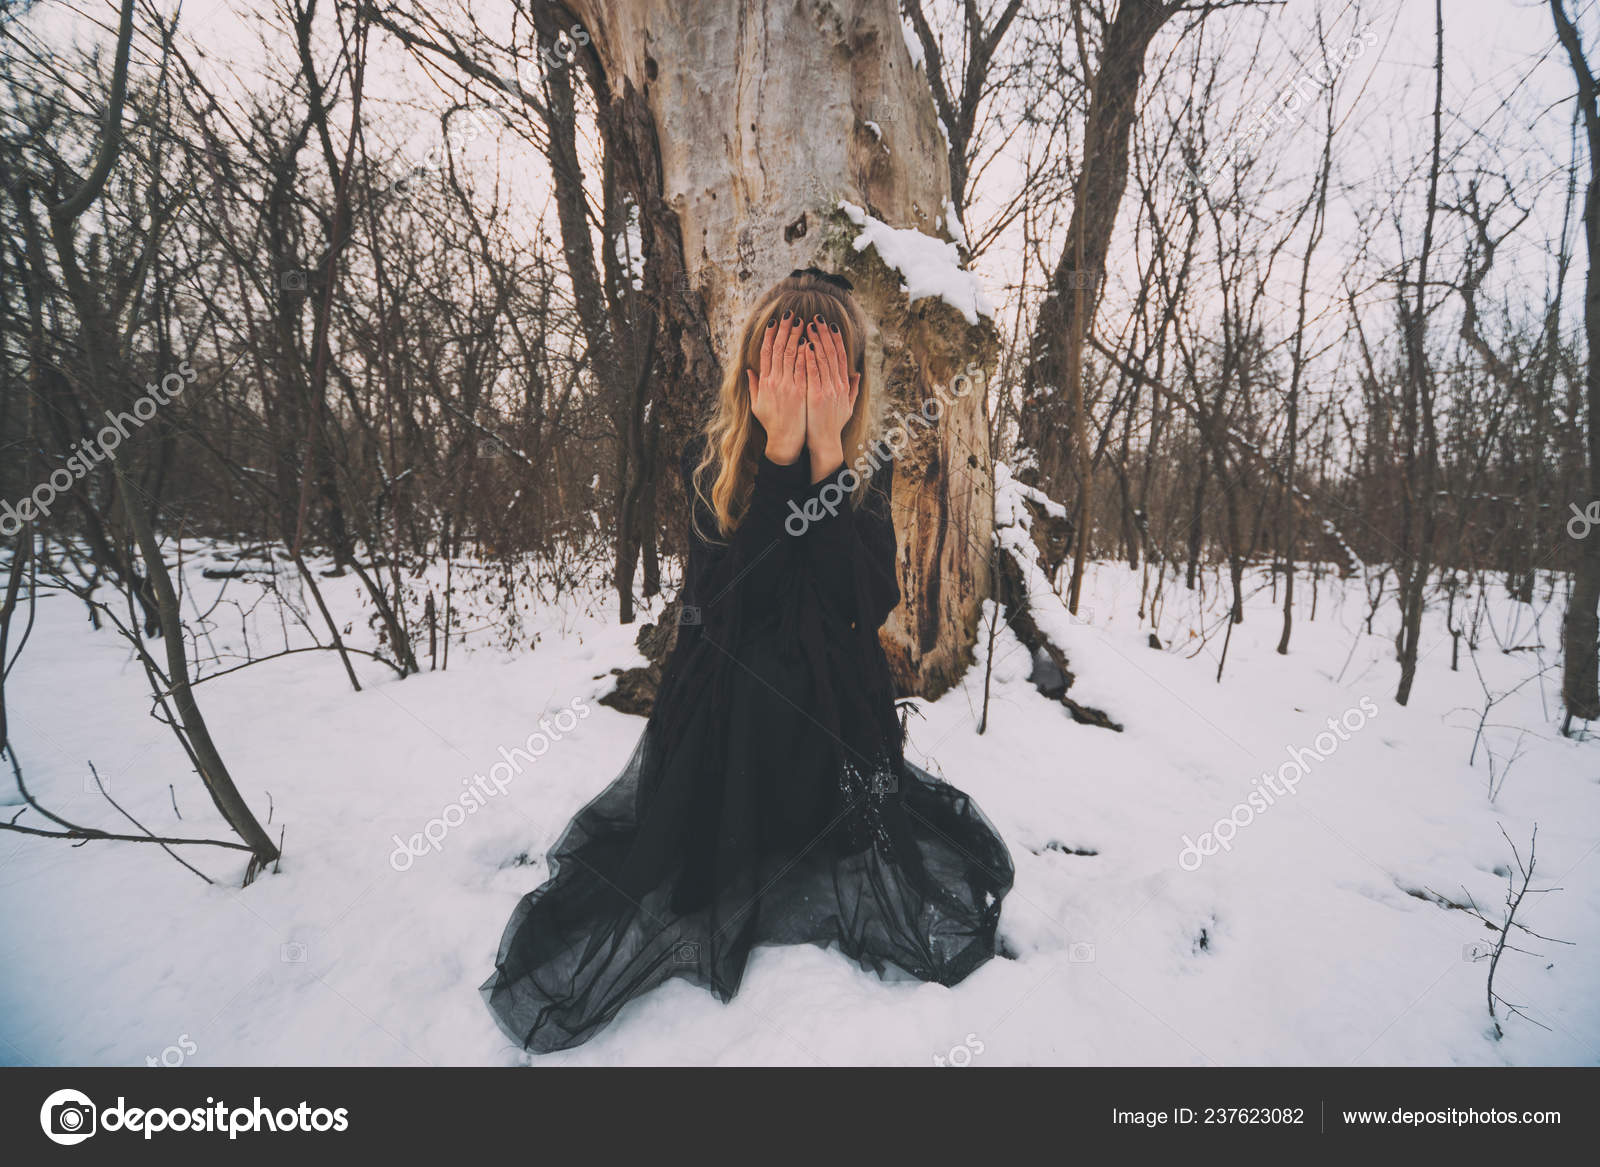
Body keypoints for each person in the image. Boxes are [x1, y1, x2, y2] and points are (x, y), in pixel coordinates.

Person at [481, 268, 1013, 1054]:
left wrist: (826, 450)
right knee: (758, 662)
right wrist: (779, 451)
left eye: (822, 371)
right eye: (787, 367)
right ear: (754, 377)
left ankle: (808, 829)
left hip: (831, 727)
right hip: (729, 729)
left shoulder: (861, 476)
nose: (803, 385)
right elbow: (735, 609)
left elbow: (860, 601)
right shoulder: (716, 470)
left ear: (850, 383)